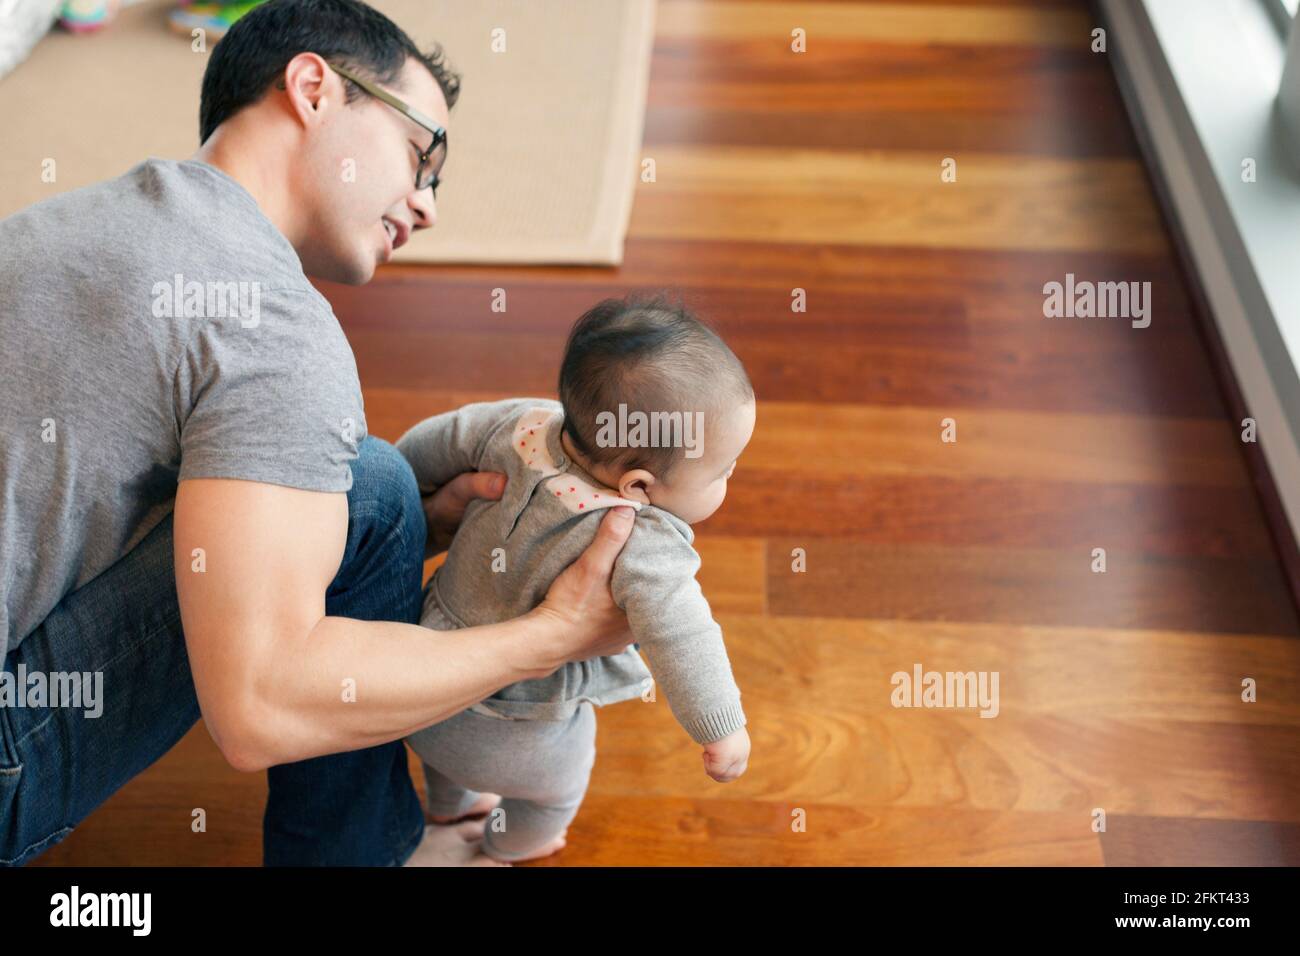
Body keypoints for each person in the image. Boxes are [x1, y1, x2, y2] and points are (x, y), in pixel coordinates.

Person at [0, 0, 635, 867]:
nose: (427, 205)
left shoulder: (68, 225)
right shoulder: (269, 324)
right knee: (369, 491)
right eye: (423, 155)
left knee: (371, 498)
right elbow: (259, 710)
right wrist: (551, 635)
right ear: (312, 87)